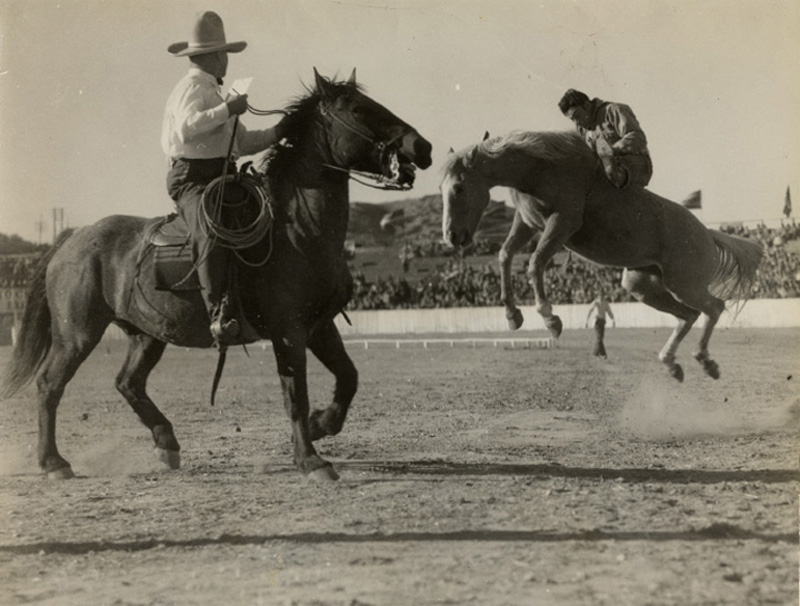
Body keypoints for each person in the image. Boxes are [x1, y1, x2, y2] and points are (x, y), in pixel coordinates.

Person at [162, 11, 286, 345]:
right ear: (215, 56)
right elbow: (186, 128)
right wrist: (227, 109)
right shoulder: (191, 88)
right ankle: (217, 313)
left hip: (220, 175)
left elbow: (242, 143)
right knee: (209, 228)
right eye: (225, 55)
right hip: (192, 178)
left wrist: (279, 131)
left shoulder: (215, 93)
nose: (227, 61)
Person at [558, 89, 652, 189]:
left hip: (636, 163)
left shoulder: (613, 110)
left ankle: (614, 172)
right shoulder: (582, 128)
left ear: (587, 105)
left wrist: (612, 150)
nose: (576, 122)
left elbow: (637, 136)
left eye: (577, 116)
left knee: (610, 171)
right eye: (572, 119)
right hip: (603, 165)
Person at [585, 289, 615, 358]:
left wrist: (613, 319)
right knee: (599, 338)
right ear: (598, 296)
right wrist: (587, 320)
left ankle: (600, 354)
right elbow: (590, 311)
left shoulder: (605, 303)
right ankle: (598, 354)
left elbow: (609, 312)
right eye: (600, 295)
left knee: (600, 338)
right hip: (597, 321)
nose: (601, 296)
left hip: (602, 321)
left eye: (602, 295)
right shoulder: (595, 302)